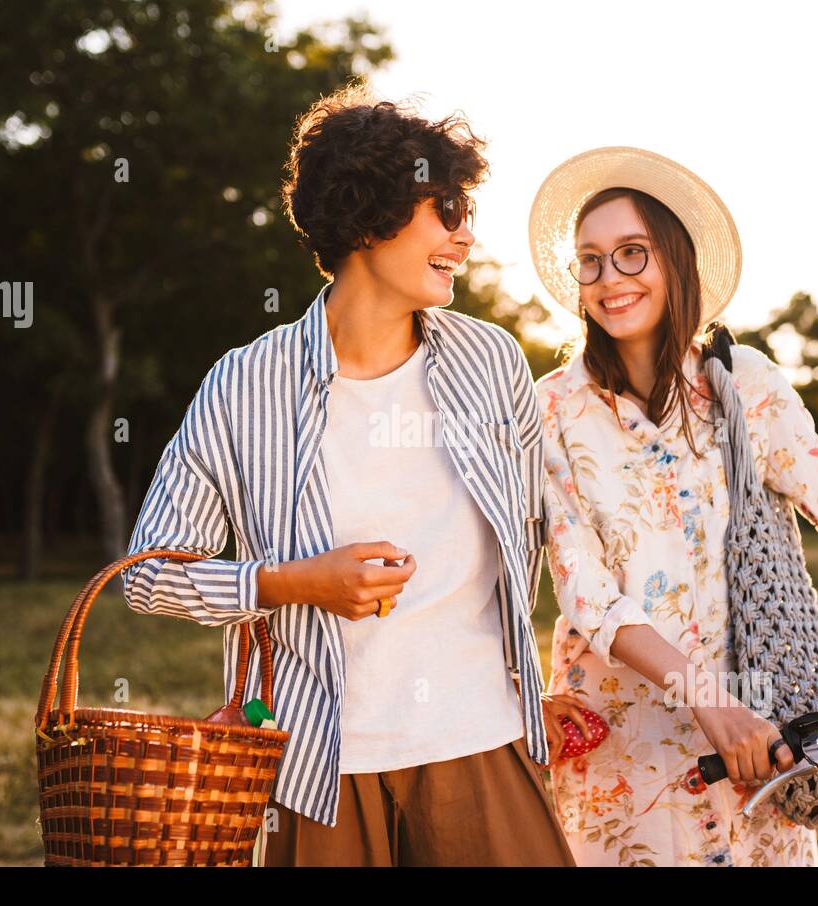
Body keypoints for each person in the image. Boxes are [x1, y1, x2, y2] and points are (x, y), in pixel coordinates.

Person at [122, 82, 575, 866]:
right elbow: (149, 575)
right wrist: (298, 584)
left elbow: (556, 525)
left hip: (482, 737)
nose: (465, 237)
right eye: (447, 209)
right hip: (315, 764)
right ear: (370, 216)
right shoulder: (242, 384)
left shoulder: (492, 360)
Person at [526, 147, 818, 866]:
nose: (608, 280)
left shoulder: (743, 386)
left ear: (678, 261)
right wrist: (707, 701)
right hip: (625, 741)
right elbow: (584, 589)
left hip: (760, 726)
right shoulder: (552, 407)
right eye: (589, 261)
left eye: (633, 253)